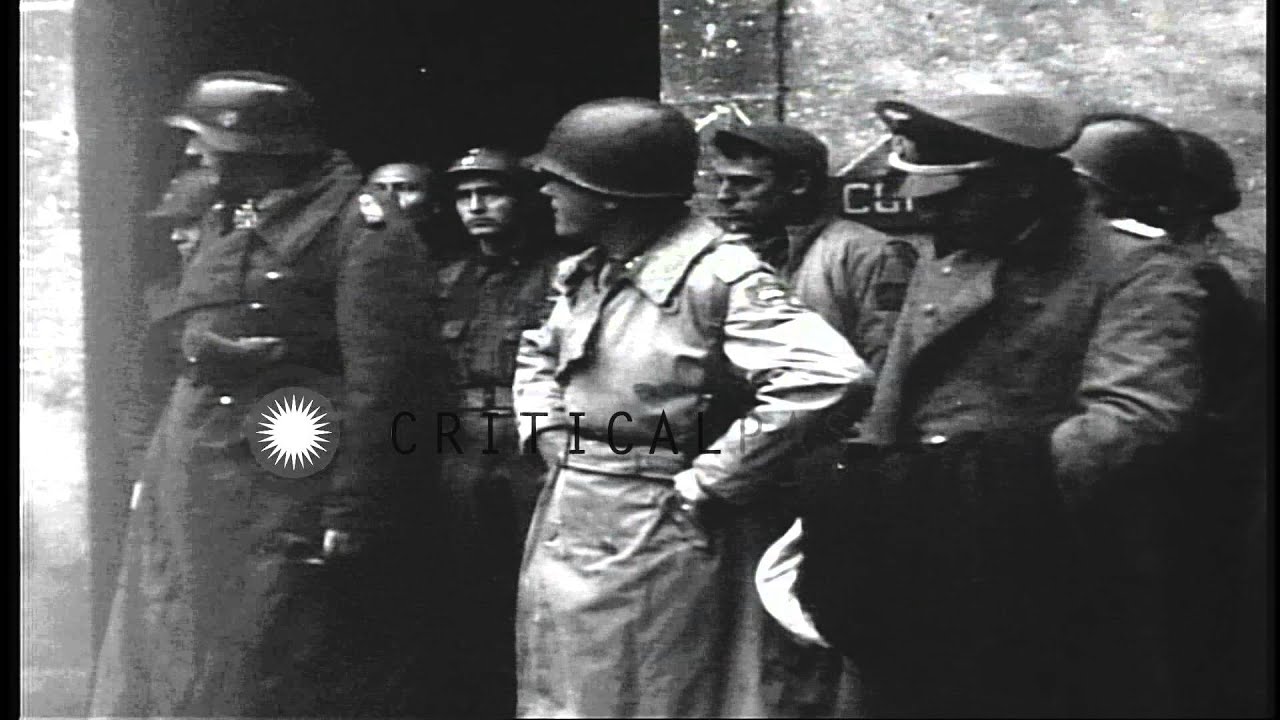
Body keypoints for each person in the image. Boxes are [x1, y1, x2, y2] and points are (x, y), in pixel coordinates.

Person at [796, 94, 1207, 717]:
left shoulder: (1140, 271)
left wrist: (961, 495)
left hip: (1047, 558)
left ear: (1019, 187)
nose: (924, 210)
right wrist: (864, 493)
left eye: (949, 196)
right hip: (919, 554)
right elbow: (896, 397)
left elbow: (1133, 423)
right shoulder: (956, 249)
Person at [89, 70, 450, 718]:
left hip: (285, 489)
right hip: (198, 482)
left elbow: (391, 384)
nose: (195, 156)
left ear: (258, 147)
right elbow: (178, 322)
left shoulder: (362, 229)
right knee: (177, 647)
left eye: (206, 142)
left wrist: (355, 509)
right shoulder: (230, 211)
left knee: (269, 659)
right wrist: (199, 349)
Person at [513, 97, 872, 717]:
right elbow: (539, 353)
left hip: (657, 527)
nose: (544, 190)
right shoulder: (591, 270)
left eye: (560, 180)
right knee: (566, 693)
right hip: (573, 511)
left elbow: (828, 376)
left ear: (611, 195)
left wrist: (713, 477)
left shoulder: (717, 276)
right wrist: (543, 424)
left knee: (646, 695)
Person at [432, 146, 563, 716]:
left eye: (492, 193)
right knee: (462, 587)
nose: (476, 206)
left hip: (529, 449)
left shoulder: (563, 273)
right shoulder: (448, 278)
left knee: (538, 588)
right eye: (464, 196)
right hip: (458, 447)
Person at [710, 124, 919, 372]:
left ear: (799, 183)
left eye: (744, 183)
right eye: (720, 181)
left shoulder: (871, 254)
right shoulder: (733, 255)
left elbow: (888, 368)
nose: (724, 195)